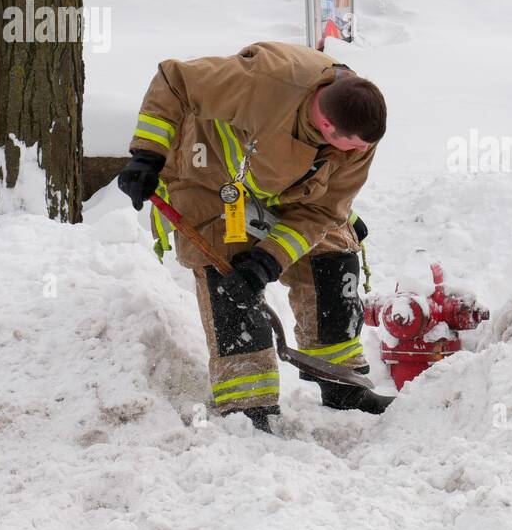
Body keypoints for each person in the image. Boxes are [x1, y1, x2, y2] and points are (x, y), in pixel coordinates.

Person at [116, 41, 390, 431]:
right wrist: (147, 154)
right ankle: (248, 404)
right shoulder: (263, 82)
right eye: (355, 145)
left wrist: (269, 259)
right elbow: (174, 80)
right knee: (228, 279)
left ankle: (341, 383)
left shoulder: (359, 132)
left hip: (292, 192)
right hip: (211, 178)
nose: (361, 152)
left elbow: (323, 211)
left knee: (333, 252)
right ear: (327, 125)